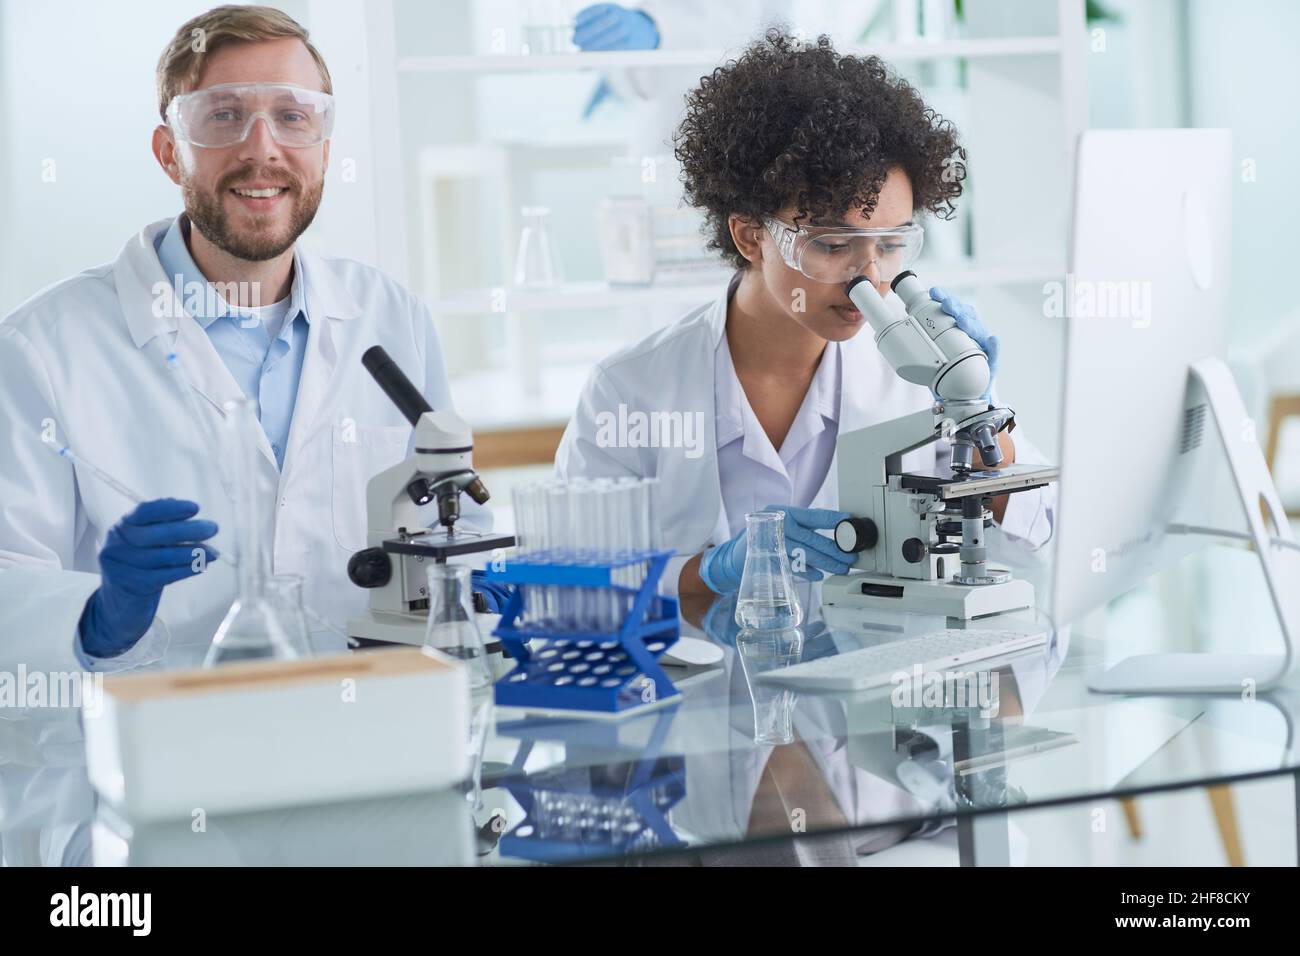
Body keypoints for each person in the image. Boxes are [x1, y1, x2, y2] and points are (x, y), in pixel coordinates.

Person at [0, 5, 487, 673]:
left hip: (372, 729)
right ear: (171, 152)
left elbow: (447, 508)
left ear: (323, 149)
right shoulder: (42, 350)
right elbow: (8, 584)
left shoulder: (389, 316)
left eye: (293, 116)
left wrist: (475, 583)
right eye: (224, 115)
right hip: (157, 750)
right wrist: (100, 616)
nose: (262, 149)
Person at [556, 32, 1055, 596]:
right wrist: (707, 574)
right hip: (700, 678)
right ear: (750, 236)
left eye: (890, 244)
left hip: (873, 674)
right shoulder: (630, 392)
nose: (870, 278)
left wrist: (980, 417)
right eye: (833, 244)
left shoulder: (917, 378)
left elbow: (1040, 537)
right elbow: (577, 583)